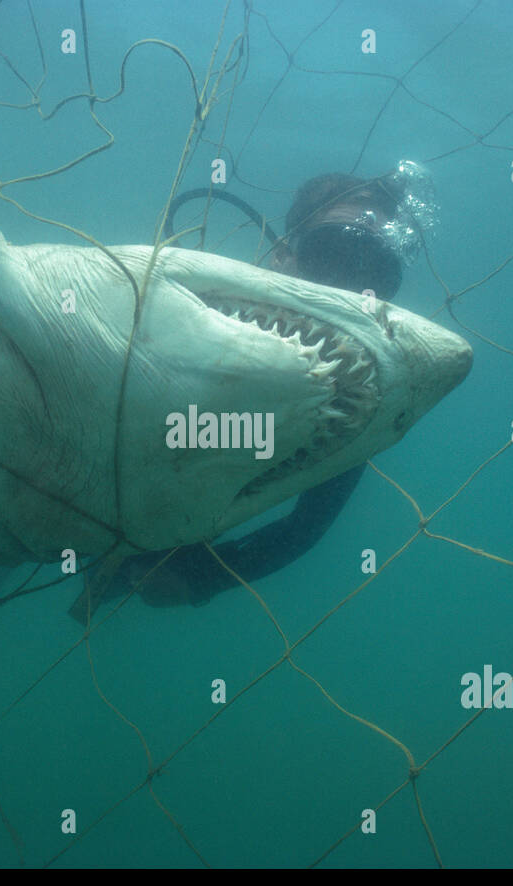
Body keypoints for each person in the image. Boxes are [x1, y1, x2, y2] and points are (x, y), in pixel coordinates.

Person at [71, 167, 422, 618]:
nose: (348, 285)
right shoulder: (194, 308)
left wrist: (202, 576)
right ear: (284, 256)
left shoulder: (352, 398)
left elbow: (305, 527)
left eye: (373, 268)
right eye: (329, 253)